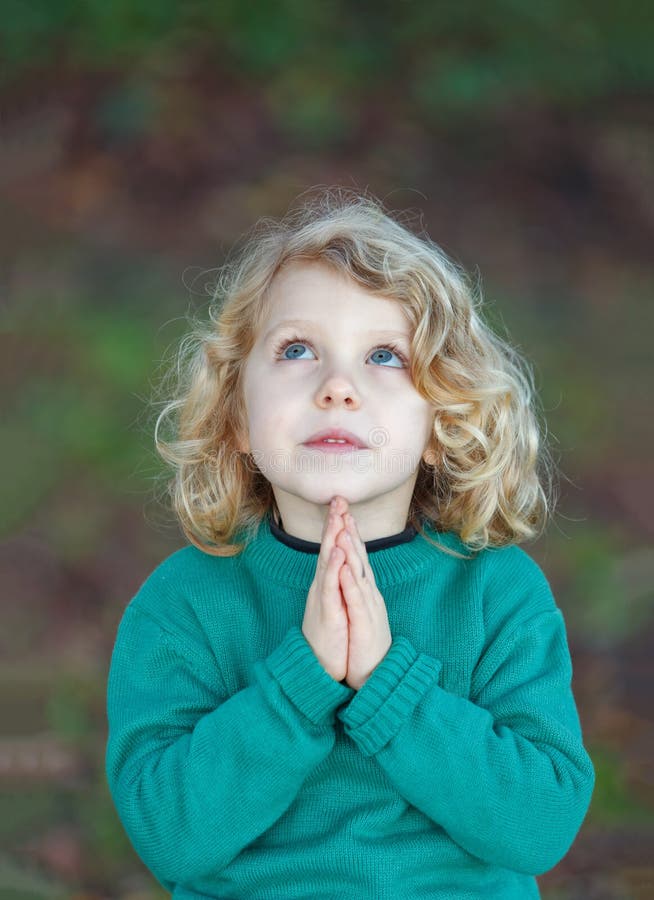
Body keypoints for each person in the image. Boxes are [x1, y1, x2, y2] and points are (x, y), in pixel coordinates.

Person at [105, 188, 595, 899]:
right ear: (236, 414)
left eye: (385, 356)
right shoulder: (185, 602)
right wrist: (301, 681)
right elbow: (168, 836)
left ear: (444, 424)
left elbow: (540, 827)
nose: (337, 386)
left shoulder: (497, 593)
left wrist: (387, 680)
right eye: (297, 350)